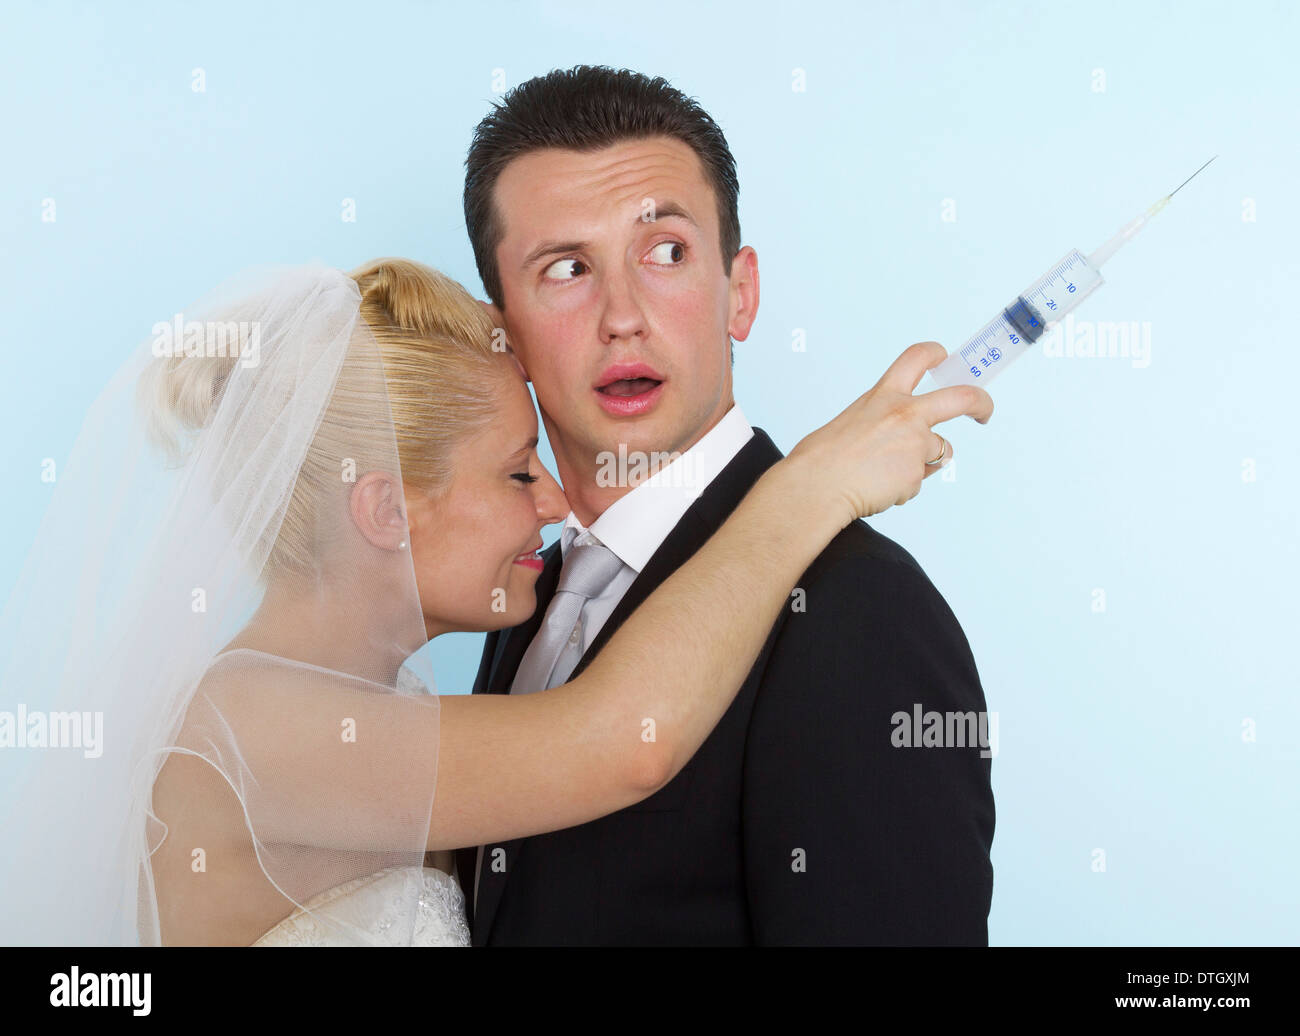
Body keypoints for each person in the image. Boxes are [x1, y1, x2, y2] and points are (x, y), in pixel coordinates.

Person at [0, 257, 988, 946]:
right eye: (519, 472)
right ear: (385, 508)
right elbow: (625, 740)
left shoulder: (400, 713)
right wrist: (812, 486)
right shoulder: (249, 723)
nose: (557, 503)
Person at [459, 65, 997, 945]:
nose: (622, 316)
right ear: (504, 335)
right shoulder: (524, 591)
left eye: (666, 251)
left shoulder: (858, 611)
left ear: (739, 292)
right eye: (565, 268)